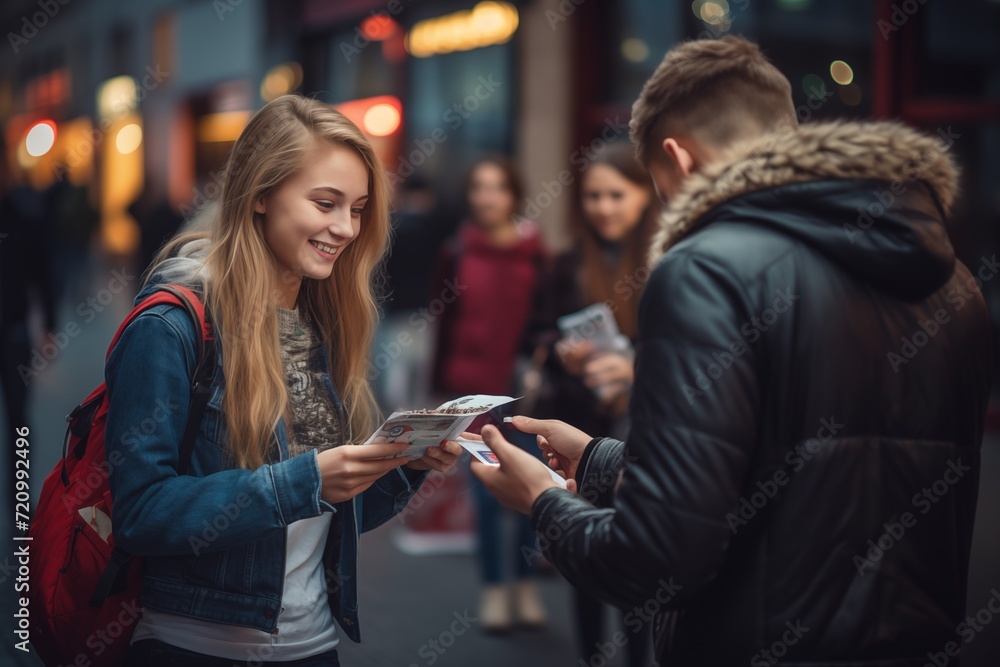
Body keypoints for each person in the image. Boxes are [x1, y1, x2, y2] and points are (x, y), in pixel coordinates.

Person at [470, 36, 993, 665]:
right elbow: (794, 475)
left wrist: (543, 501)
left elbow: (658, 560)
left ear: (679, 159)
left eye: (659, 189)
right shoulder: (956, 282)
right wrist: (601, 461)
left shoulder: (707, 270)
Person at [107, 95, 461, 667]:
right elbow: (141, 514)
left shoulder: (326, 324)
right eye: (325, 203)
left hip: (314, 645)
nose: (346, 228)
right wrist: (299, 481)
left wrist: (404, 467)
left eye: (360, 208)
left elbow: (330, 514)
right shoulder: (171, 326)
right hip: (195, 647)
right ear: (261, 195)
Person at [538, 142, 658, 665]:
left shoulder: (667, 261)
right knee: (585, 565)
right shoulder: (567, 262)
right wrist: (558, 354)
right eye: (592, 196)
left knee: (642, 573)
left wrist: (638, 368)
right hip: (579, 432)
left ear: (642, 195)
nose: (604, 207)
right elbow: (534, 340)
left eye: (616, 194)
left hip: (644, 437)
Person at [430, 156, 549, 633]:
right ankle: (496, 589)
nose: (487, 197)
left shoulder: (536, 253)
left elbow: (545, 322)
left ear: (514, 195)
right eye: (478, 187)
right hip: (470, 392)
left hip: (523, 395)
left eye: (497, 187)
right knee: (484, 495)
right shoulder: (455, 250)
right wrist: (437, 392)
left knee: (528, 490)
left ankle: (524, 583)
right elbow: (443, 325)